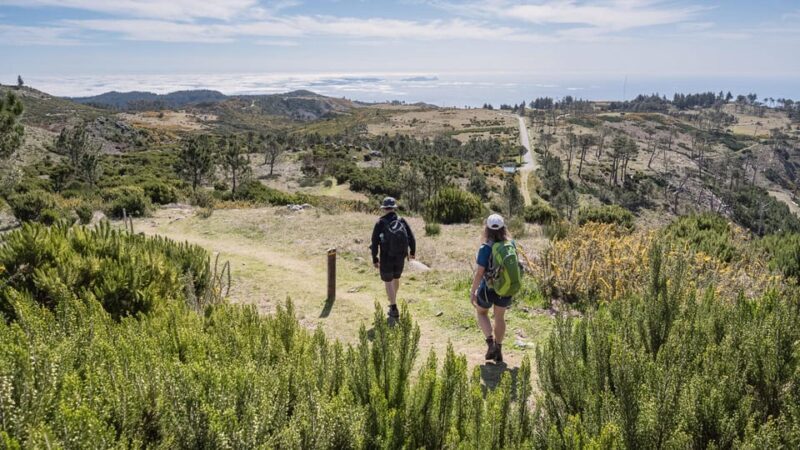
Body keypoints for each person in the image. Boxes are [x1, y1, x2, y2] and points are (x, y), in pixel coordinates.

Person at [470, 213, 519, 363]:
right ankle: (498, 348)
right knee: (499, 317)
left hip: (488, 288)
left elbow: (480, 273)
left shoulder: (485, 247)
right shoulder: (511, 244)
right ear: (504, 228)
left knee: (481, 312)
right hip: (505, 288)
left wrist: (473, 291)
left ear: (487, 229)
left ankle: (490, 343)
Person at [370, 197, 416, 319]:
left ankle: (393, 307)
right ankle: (392, 301)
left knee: (388, 281)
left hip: (386, 257)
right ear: (394, 208)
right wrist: (412, 252)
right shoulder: (401, 220)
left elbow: (374, 242)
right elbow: (411, 237)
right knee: (396, 278)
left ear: (384, 208)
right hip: (401, 255)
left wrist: (374, 258)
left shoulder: (380, 223)